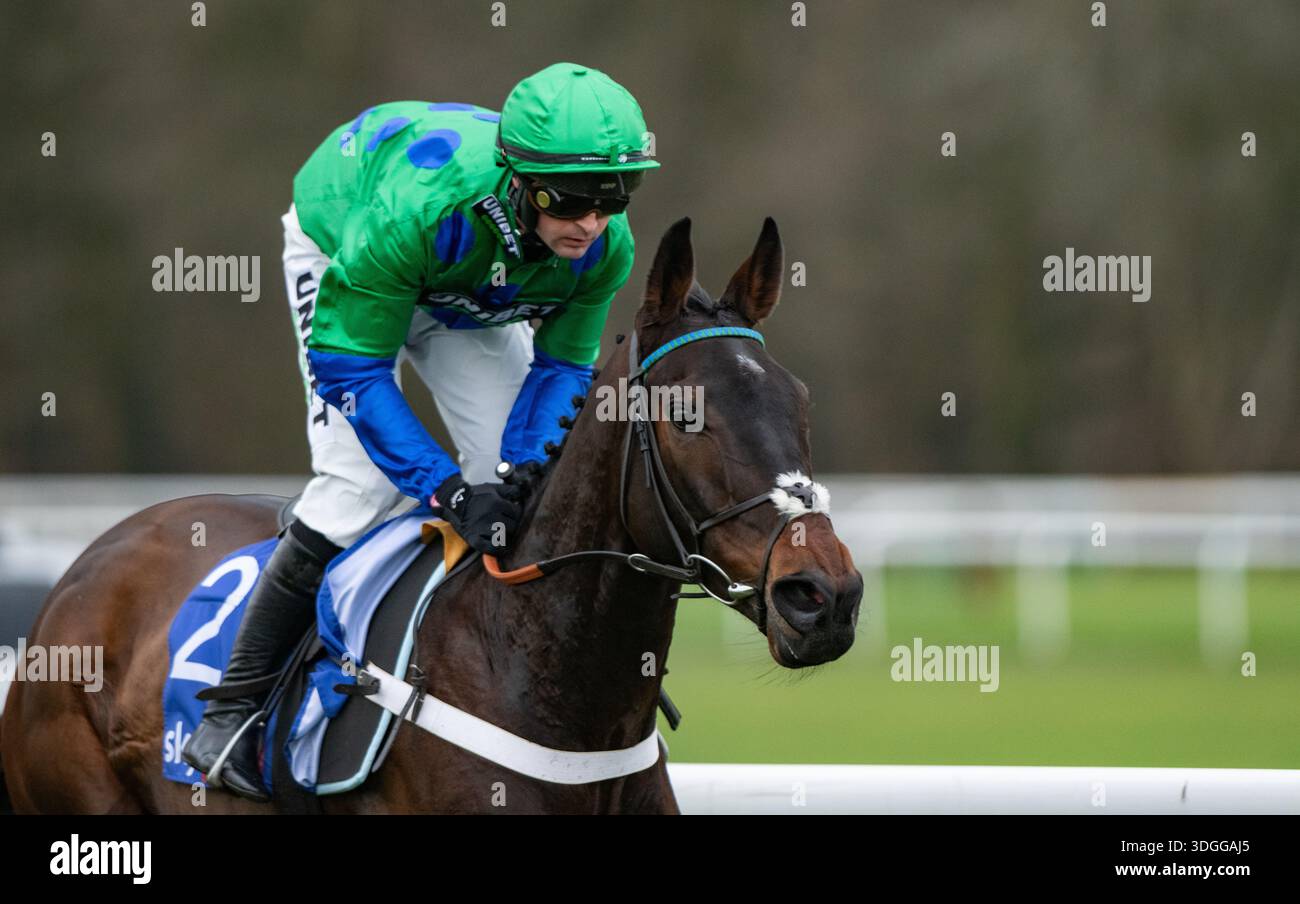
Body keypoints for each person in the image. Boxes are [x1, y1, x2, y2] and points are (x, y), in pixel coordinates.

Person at [182, 62, 658, 801]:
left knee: (528, 484)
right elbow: (353, 369)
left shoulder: (603, 247)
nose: (592, 222)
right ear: (521, 180)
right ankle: (231, 710)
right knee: (360, 486)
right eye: (571, 201)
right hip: (352, 247)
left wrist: (518, 474)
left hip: (462, 286)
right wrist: (445, 493)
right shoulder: (417, 210)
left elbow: (563, 371)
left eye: (612, 199)